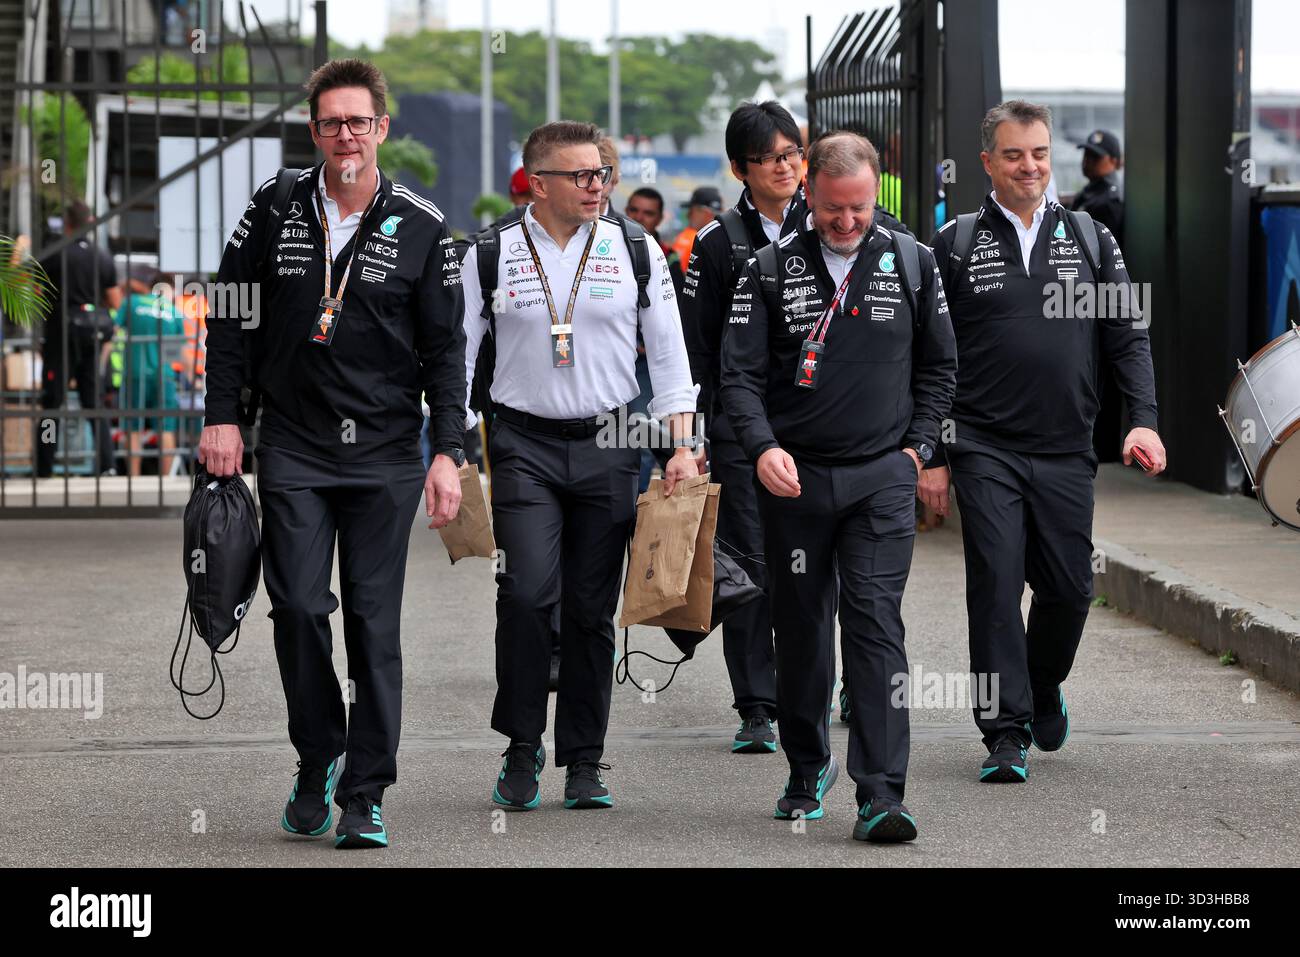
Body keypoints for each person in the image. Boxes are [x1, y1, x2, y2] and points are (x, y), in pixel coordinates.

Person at [199, 58, 467, 849]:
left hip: (384, 451)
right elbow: (228, 310)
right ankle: (318, 755)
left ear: (382, 128)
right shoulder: (275, 206)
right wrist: (223, 418)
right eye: (330, 123)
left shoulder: (421, 223)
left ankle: (366, 792)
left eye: (359, 121)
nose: (345, 134)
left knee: (374, 628)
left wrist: (447, 451)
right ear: (313, 131)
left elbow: (446, 353)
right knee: (300, 611)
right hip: (294, 446)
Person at [720, 131, 956, 842]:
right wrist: (760, 447)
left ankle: (882, 791)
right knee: (800, 630)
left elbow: (941, 367)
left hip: (881, 477)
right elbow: (737, 375)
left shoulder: (913, 262)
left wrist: (919, 449)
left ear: (876, 192)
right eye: (832, 211)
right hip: (793, 481)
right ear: (809, 195)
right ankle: (805, 762)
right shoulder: (766, 269)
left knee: (876, 623)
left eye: (859, 209)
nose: (847, 223)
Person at [460, 120, 698, 813]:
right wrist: (449, 443)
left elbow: (671, 358)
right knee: (529, 594)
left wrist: (681, 443)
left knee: (593, 611)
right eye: (581, 175)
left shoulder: (635, 249)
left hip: (613, 439)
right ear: (540, 183)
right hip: (523, 444)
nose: (598, 185)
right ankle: (522, 742)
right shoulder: (491, 253)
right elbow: (454, 356)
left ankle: (585, 759)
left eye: (601, 173)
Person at [924, 101, 1165, 784]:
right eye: (1012, 154)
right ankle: (1004, 732)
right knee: (995, 583)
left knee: (1068, 588)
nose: (1028, 166)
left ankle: (1040, 681)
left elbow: (1128, 335)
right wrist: (935, 451)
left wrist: (1142, 417)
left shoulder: (1090, 238)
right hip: (984, 446)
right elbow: (929, 356)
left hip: (1066, 447)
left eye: (1037, 152)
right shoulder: (956, 243)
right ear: (988, 162)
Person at [679, 100, 808, 754]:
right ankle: (757, 703)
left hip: (821, 428)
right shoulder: (718, 243)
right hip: (740, 430)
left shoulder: (841, 225)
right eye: (768, 158)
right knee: (753, 564)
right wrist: (693, 438)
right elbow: (696, 352)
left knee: (819, 562)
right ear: (740, 168)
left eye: (792, 154)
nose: (784, 167)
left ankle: (823, 680)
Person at [36, 201, 121, 477]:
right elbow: (114, 301)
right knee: (93, 402)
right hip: (92, 334)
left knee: (53, 401)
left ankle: (45, 468)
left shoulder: (54, 253)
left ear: (68, 224)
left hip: (61, 334)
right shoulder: (102, 256)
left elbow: (36, 293)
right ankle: (107, 465)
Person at [116, 265, 184, 476]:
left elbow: (114, 332)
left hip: (135, 373)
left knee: (133, 428)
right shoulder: (174, 312)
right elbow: (174, 354)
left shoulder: (131, 304)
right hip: (164, 376)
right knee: (166, 429)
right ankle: (166, 480)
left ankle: (134, 479)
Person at [1072, 129, 1124, 240]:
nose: (1087, 160)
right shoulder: (1092, 190)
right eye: (1086, 154)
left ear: (1114, 161)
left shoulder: (1109, 201)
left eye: (1095, 157)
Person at [671, 185, 722, 269]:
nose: (688, 215)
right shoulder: (721, 240)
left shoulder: (695, 238)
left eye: (692, 211)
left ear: (706, 213)